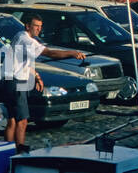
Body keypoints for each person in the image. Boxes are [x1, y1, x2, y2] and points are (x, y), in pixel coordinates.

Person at [6, 14, 86, 153]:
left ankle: (7, 152)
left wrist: (36, 75)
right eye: (36, 26)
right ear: (27, 26)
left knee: (13, 119)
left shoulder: (21, 37)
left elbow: (22, 62)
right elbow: (50, 53)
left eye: (40, 26)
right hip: (16, 82)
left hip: (12, 79)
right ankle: (20, 152)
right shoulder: (25, 40)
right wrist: (72, 53)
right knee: (22, 120)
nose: (39, 29)